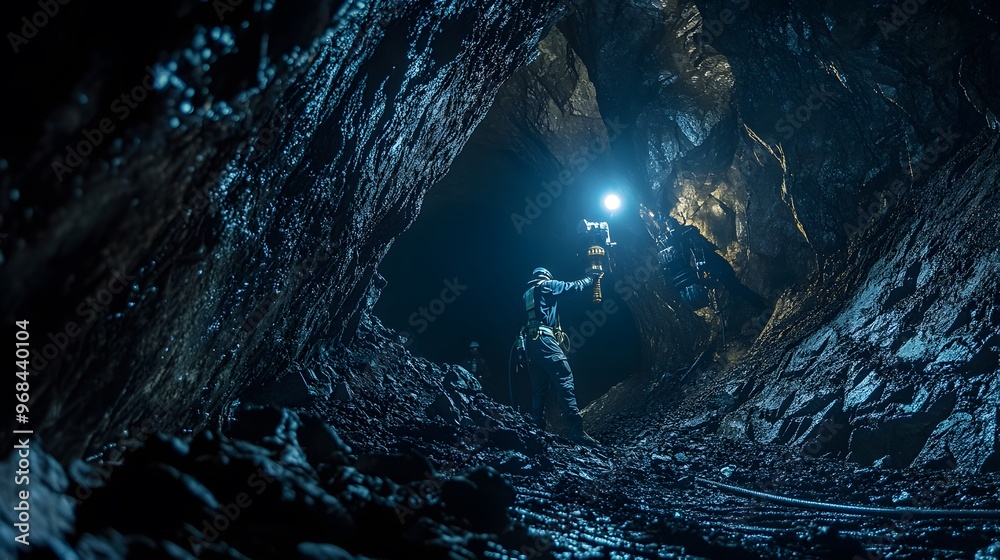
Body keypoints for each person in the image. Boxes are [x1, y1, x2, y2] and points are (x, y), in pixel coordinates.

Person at [520, 266, 601, 445]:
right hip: (545, 340)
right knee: (564, 376)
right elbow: (572, 286)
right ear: (546, 276)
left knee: (539, 386)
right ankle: (575, 428)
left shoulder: (528, 293)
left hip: (531, 345)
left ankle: (536, 427)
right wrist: (590, 279)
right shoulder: (547, 286)